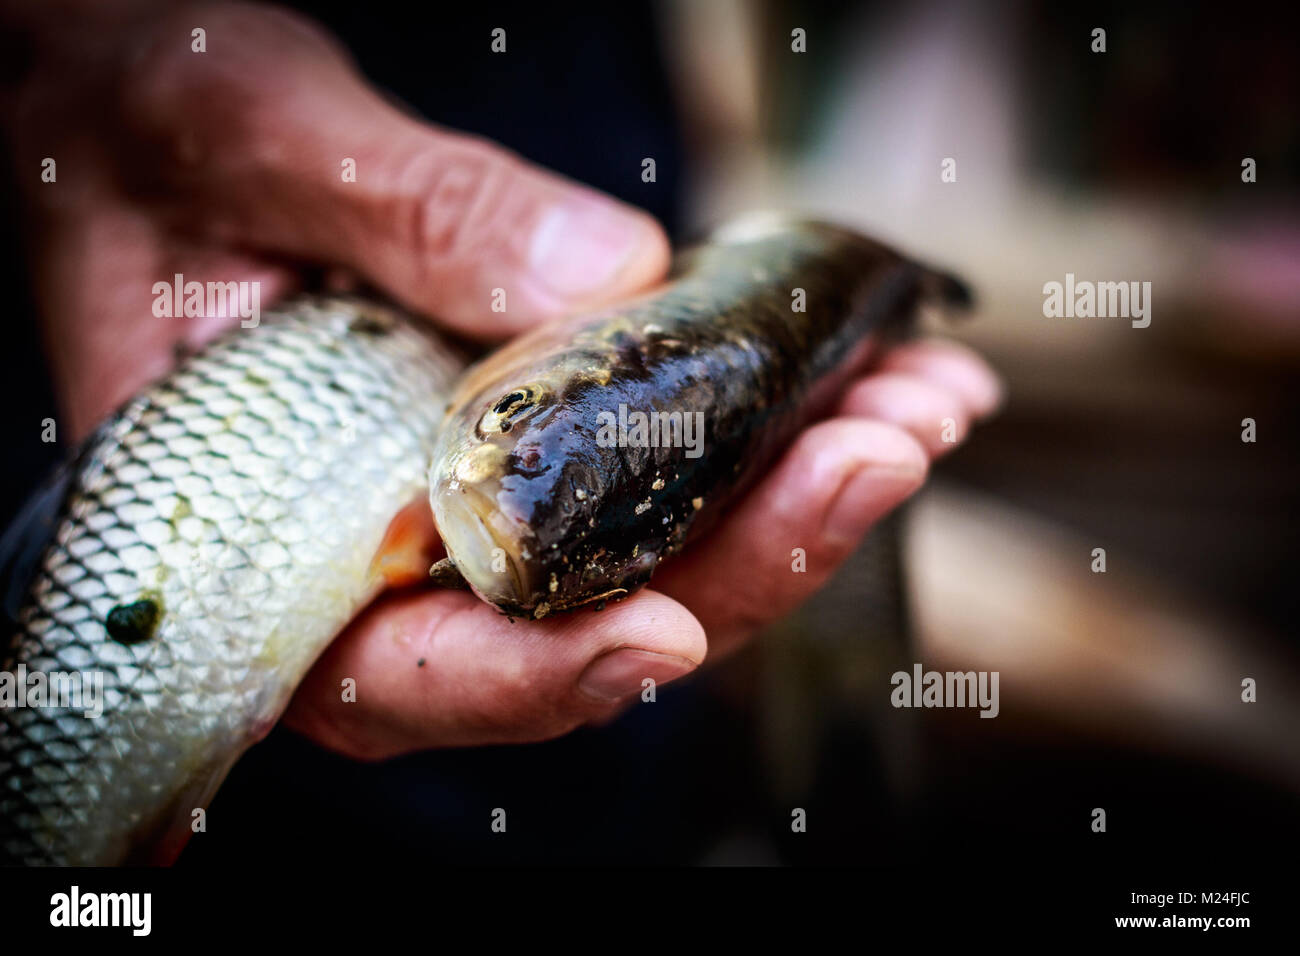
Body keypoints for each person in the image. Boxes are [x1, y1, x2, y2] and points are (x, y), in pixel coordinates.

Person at [2, 0, 1000, 859]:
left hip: (575, 106)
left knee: (596, 764)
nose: (494, 484)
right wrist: (85, 38)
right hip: (134, 216)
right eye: (513, 417)